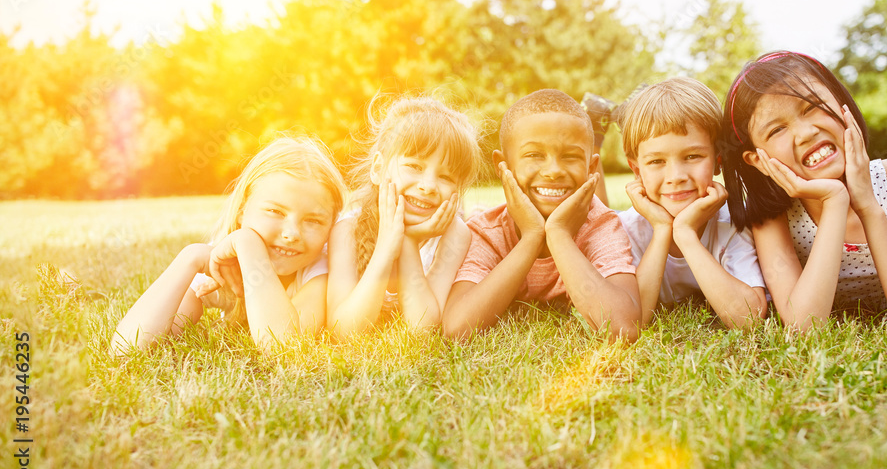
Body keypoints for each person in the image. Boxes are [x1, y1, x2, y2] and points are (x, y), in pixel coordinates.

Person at [722, 51, 887, 331]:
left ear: (841, 104)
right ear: (757, 160)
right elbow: (803, 326)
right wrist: (835, 200)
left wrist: (867, 205)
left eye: (811, 106)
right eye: (777, 129)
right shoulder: (770, 214)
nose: (805, 133)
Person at [112, 135, 348, 354]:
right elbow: (128, 347)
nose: (292, 233)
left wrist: (248, 243)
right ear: (242, 211)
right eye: (275, 211)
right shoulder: (220, 264)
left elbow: (283, 347)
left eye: (313, 221)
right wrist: (191, 257)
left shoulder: (320, 272)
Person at [443, 88, 640, 341]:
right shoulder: (487, 232)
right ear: (502, 166)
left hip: (589, 216)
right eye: (534, 155)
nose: (553, 170)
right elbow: (458, 329)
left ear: (591, 167)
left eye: (570, 156)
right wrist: (531, 237)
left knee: (597, 205)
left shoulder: (601, 226)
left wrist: (558, 234)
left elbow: (622, 329)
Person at [615, 78, 767, 328]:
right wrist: (663, 230)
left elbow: (748, 320)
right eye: (656, 161)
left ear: (718, 161)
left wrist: (685, 234)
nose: (676, 177)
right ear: (636, 170)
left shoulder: (733, 223)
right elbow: (633, 321)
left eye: (693, 156)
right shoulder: (624, 229)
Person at [326, 96, 481, 337]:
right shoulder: (347, 230)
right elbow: (345, 331)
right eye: (415, 167)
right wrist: (387, 247)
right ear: (378, 168)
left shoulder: (454, 234)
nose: (428, 186)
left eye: (446, 177)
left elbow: (422, 328)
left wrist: (408, 241)